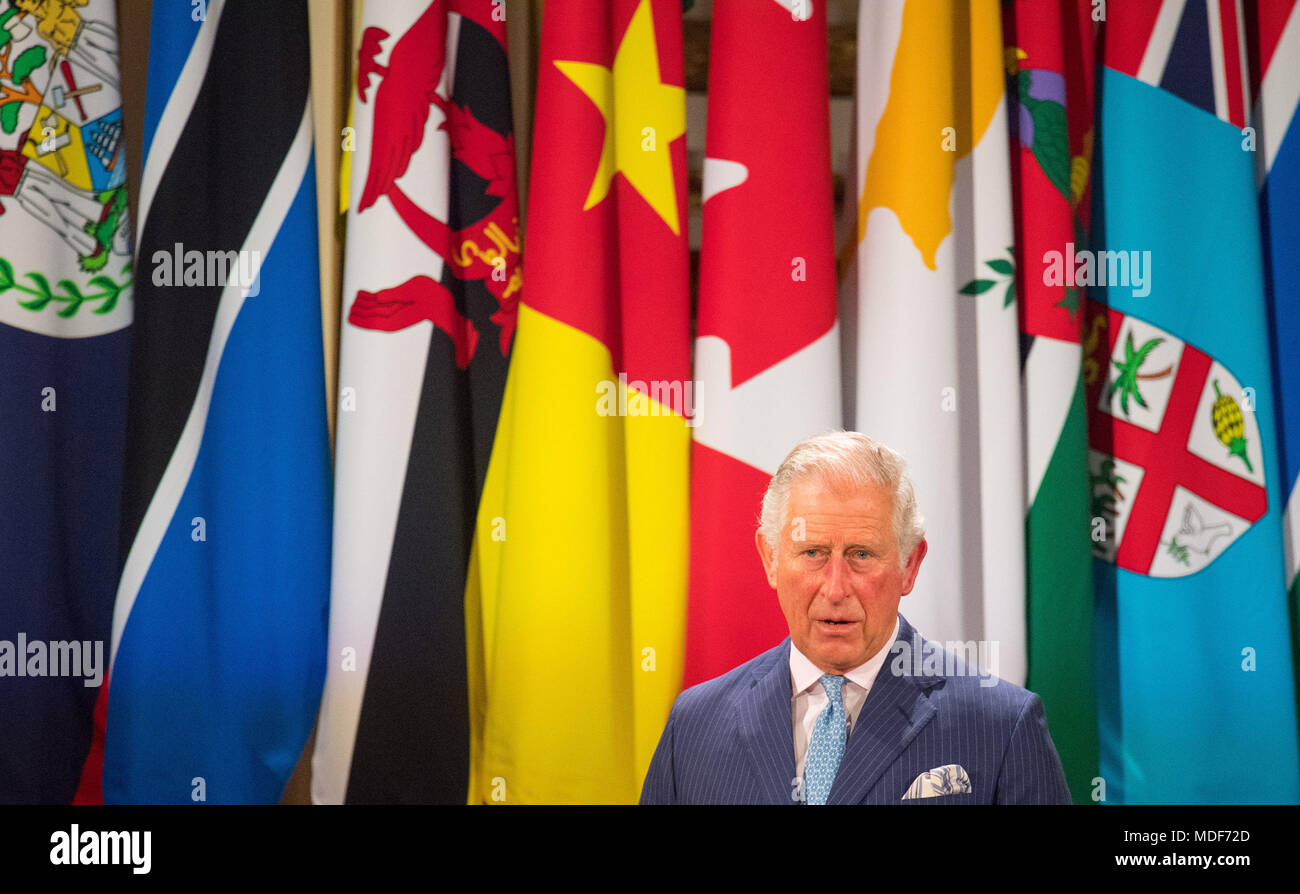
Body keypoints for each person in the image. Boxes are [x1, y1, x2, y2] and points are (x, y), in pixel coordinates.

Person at [641, 431, 1071, 804]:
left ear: (909, 564)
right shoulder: (694, 725)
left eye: (861, 555)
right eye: (813, 553)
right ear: (770, 559)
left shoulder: (1000, 726)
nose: (835, 588)